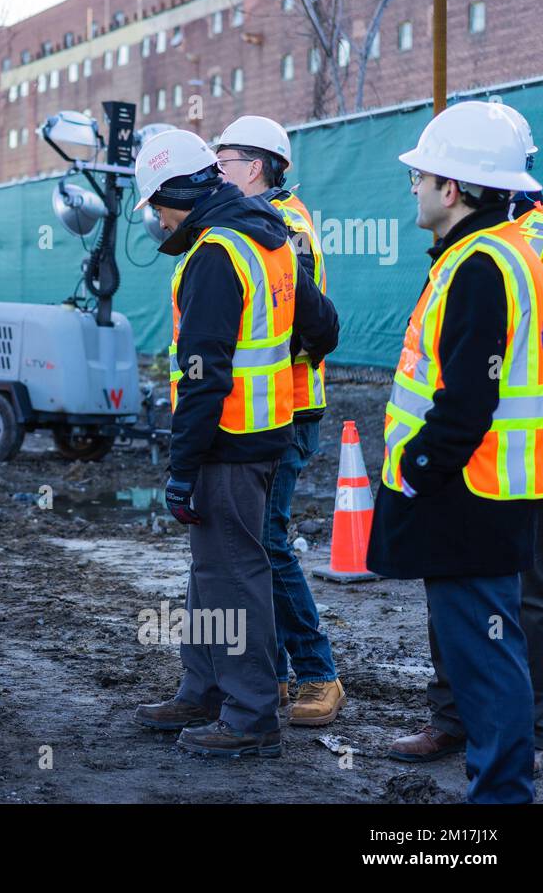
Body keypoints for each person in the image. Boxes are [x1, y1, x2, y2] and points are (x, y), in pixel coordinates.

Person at [130, 129, 338, 757]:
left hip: (229, 441)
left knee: (236, 574)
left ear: (173, 194)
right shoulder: (267, 237)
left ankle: (248, 716)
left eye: (155, 208)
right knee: (211, 571)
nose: (157, 222)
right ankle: (205, 687)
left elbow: (203, 375)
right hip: (266, 433)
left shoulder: (217, 253)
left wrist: (181, 465)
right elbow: (322, 325)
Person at [370, 100, 543, 803]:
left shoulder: (482, 263)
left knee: (485, 650)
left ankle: (500, 793)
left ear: (453, 188)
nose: (412, 187)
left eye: (421, 177)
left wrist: (417, 469)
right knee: (486, 643)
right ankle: (499, 780)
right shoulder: (493, 254)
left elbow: (468, 394)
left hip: (467, 492)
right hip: (485, 490)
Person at [215, 115, 346, 726]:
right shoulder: (264, 221)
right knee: (258, 540)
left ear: (258, 165)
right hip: (272, 406)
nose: (216, 170)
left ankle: (317, 674)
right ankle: (281, 674)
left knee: (267, 539)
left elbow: (306, 324)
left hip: (288, 407)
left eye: (226, 160)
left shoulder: (282, 228)